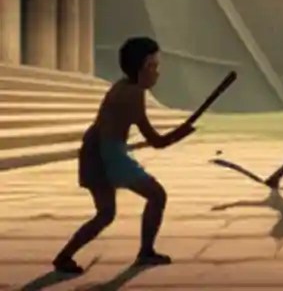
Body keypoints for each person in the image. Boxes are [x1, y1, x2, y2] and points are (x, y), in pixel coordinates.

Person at [52, 37, 195, 274]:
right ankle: (146, 252)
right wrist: (183, 131)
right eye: (152, 67)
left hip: (95, 150)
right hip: (107, 153)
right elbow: (156, 141)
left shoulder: (123, 87)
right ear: (139, 68)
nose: (156, 73)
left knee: (106, 214)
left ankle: (64, 257)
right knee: (156, 196)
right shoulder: (132, 94)